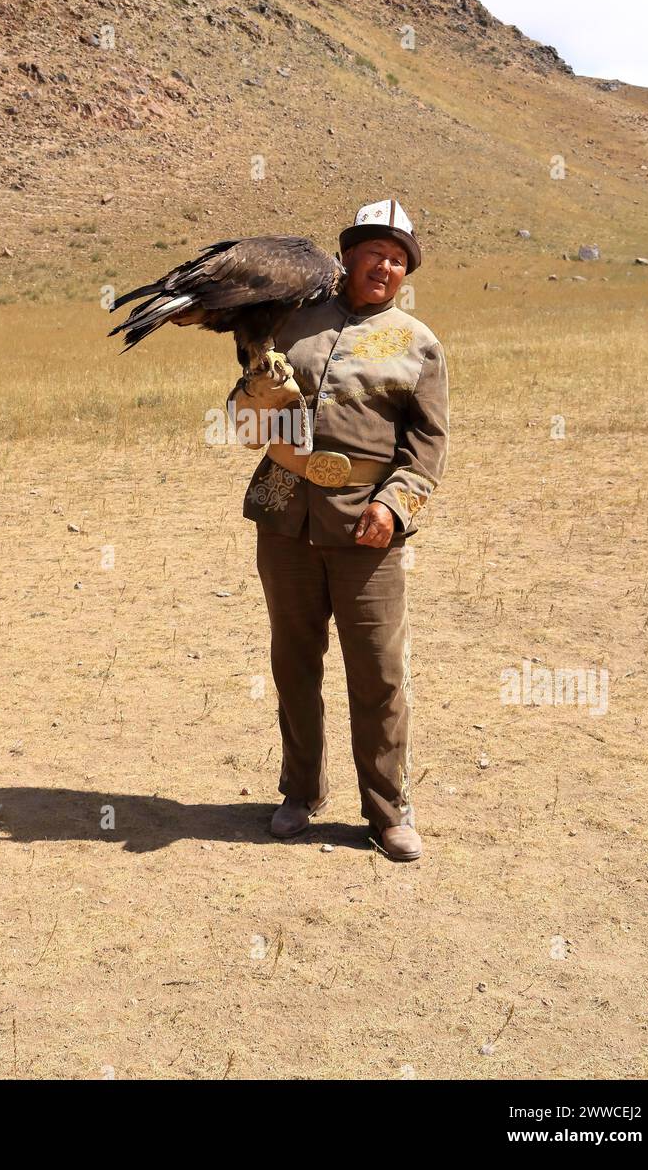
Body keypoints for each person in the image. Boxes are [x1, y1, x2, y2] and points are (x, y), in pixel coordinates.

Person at [239, 198, 449, 861]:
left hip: (368, 527)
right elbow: (244, 424)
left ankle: (388, 812)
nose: (384, 265)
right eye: (373, 252)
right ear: (348, 255)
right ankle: (300, 794)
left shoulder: (418, 344)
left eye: (397, 258)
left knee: (379, 674)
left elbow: (427, 449)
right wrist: (252, 399)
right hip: (283, 516)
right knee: (293, 664)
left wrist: (394, 506)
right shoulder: (289, 323)